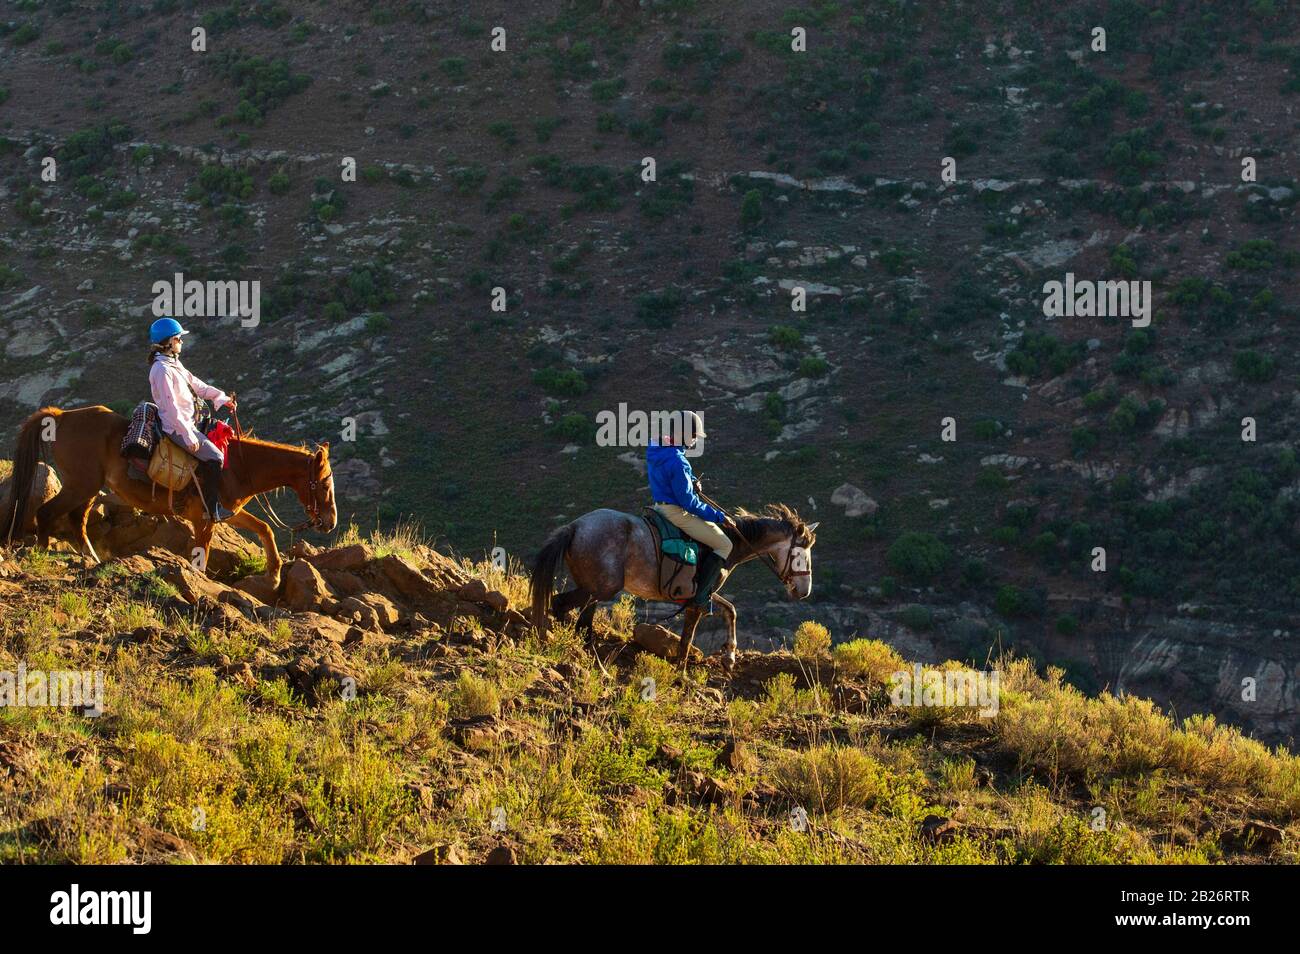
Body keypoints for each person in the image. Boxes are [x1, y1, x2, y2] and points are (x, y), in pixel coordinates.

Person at [147, 317, 237, 522]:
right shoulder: (161, 370)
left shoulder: (172, 364)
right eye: (179, 338)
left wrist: (221, 398)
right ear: (169, 342)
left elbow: (198, 385)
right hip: (177, 427)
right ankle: (211, 509)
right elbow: (171, 408)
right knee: (215, 457)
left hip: (189, 422)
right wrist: (188, 435)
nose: (181, 342)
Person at [645, 411, 737, 607]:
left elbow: (671, 475)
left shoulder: (657, 449)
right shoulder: (678, 460)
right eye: (694, 435)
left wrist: (691, 480)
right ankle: (700, 597)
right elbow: (689, 503)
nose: (695, 440)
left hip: (657, 508)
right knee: (724, 545)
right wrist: (719, 517)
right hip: (676, 512)